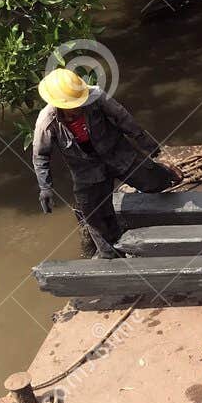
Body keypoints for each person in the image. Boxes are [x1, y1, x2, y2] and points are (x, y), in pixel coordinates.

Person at [32, 68, 179, 259]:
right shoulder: (46, 122)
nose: (76, 107)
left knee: (153, 182)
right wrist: (45, 188)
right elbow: (41, 156)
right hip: (86, 168)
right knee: (94, 215)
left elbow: (124, 119)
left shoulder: (96, 96)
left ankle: (166, 174)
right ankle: (111, 254)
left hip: (116, 152)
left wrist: (150, 146)